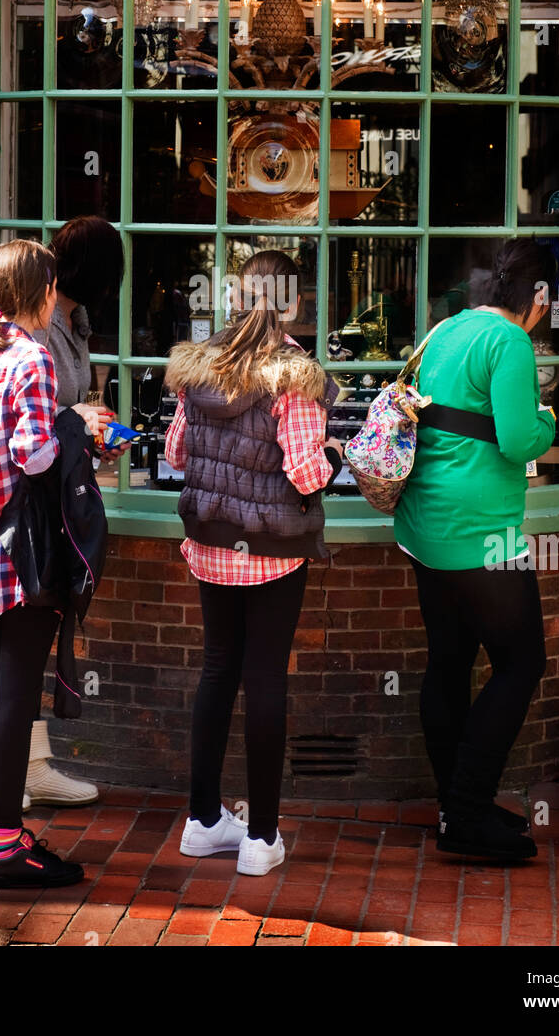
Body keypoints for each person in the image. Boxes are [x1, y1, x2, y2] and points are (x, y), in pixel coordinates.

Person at [163, 250, 343, 876]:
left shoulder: (200, 363)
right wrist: (336, 456)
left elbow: (178, 453)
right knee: (265, 678)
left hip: (210, 544)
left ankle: (203, 821)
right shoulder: (293, 374)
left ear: (240, 296)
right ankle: (261, 839)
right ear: (292, 302)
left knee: (218, 671)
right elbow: (306, 470)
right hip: (269, 550)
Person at [0, 218, 125, 812]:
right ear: (42, 293)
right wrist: (76, 429)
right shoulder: (31, 358)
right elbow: (35, 455)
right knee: (15, 692)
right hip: (23, 544)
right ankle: (3, 836)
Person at [392, 239, 557, 864]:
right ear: (537, 297)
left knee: (450, 662)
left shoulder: (447, 329)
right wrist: (545, 419)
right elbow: (519, 440)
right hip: (481, 533)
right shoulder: (510, 343)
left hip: (424, 528)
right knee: (522, 663)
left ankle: (456, 806)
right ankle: (466, 812)